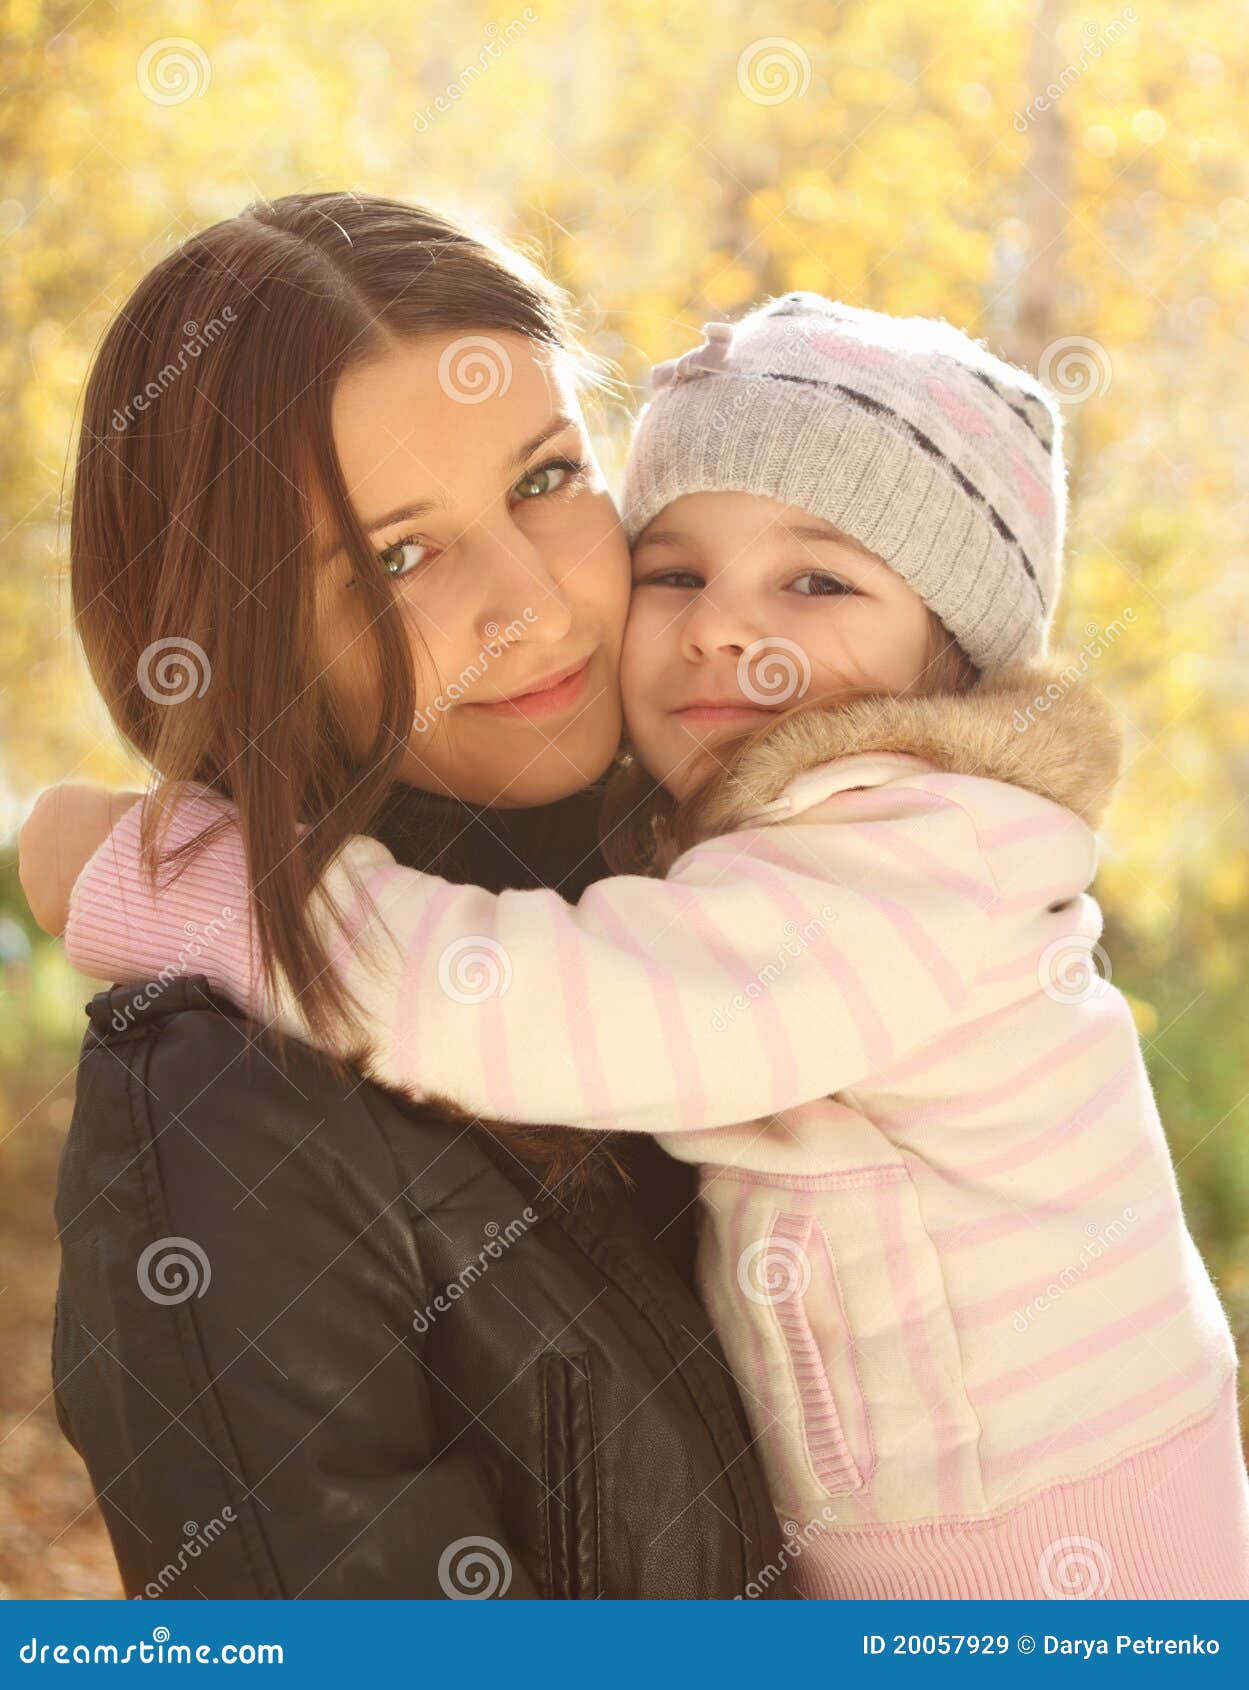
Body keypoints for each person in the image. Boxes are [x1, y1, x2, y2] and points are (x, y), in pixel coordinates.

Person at [35, 293, 1249, 1600]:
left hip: (1058, 1571)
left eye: (816, 579)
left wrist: (184, 880)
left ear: (946, 658)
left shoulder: (911, 853)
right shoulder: (728, 854)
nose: (724, 626)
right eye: (676, 569)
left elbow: (516, 1002)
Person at [21, 190, 795, 1600]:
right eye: (396, 554)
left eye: (545, 478)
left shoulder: (764, 894)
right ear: (236, 636)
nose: (536, 604)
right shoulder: (221, 1107)